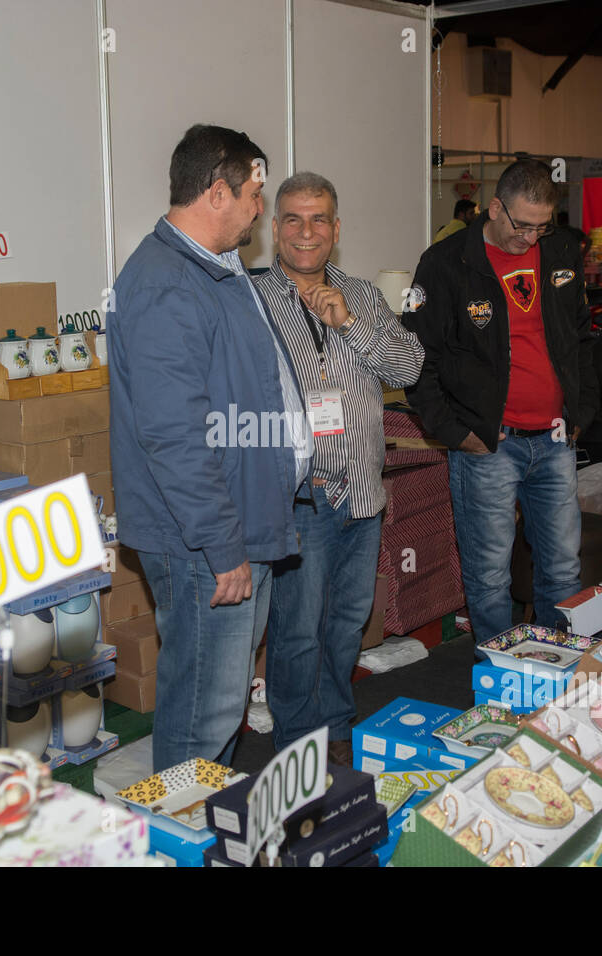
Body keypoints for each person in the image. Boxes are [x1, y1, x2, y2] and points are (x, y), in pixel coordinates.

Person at [109, 124, 312, 772]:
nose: (262, 208)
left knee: (220, 706)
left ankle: (200, 822)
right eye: (255, 193)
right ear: (218, 192)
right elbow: (174, 437)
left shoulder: (212, 269)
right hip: (207, 541)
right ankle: (178, 838)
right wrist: (223, 545)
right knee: (204, 710)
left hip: (237, 523)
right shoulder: (167, 283)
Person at [254, 173, 424, 765]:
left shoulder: (363, 295)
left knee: (348, 622)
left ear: (336, 229)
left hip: (362, 494)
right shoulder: (251, 302)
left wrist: (349, 324)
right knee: (297, 630)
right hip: (305, 497)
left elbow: (407, 368)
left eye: (319, 219)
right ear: (275, 230)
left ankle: (333, 724)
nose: (307, 231)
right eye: (294, 220)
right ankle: (296, 745)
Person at [404, 159, 599, 642]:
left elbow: (580, 336)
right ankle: (500, 676)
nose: (531, 238)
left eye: (541, 226)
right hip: (488, 445)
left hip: (556, 440)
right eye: (521, 225)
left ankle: (557, 672)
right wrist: (454, 433)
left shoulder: (561, 251)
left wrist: (582, 411)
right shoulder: (446, 262)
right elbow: (413, 358)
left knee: (562, 570)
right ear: (494, 208)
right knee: (490, 579)